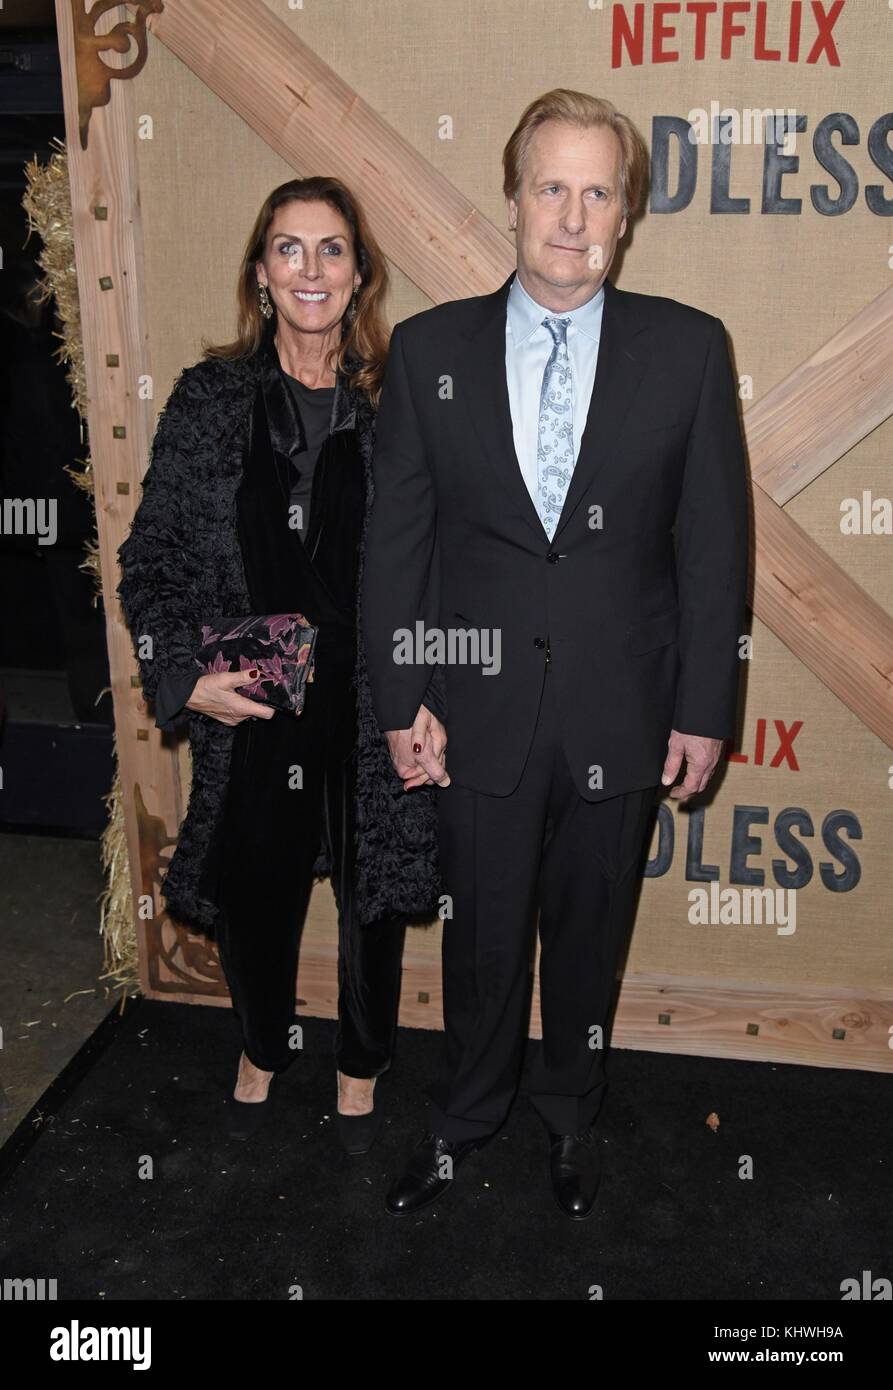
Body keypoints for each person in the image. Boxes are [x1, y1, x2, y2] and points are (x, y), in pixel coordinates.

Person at [361, 91, 749, 1217]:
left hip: (619, 709)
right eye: (551, 188)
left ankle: (568, 1117)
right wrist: (402, 696)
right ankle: (463, 1119)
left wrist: (703, 706)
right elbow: (399, 550)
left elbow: (711, 547)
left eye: (597, 192)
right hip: (473, 713)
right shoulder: (429, 351)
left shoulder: (685, 350)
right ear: (512, 198)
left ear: (624, 215)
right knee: (479, 941)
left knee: (588, 942)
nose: (572, 217)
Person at [118, 177, 441, 1149]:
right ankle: (263, 1038)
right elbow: (150, 561)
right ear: (261, 274)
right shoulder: (210, 399)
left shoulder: (401, 406)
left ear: (358, 274)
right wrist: (182, 675)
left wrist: (433, 694)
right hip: (255, 672)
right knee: (254, 889)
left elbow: (444, 567)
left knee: (369, 890)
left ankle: (362, 1057)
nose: (310, 269)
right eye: (288, 250)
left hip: (370, 679)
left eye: (330, 249)